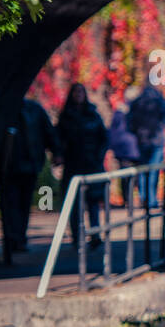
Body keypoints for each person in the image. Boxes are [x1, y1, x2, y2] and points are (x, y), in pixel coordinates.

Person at [0, 96, 62, 253]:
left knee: (23, 202)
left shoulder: (35, 109)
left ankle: (19, 237)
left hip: (30, 163)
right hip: (9, 165)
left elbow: (48, 132)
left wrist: (56, 151)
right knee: (11, 202)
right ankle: (13, 238)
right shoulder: (4, 109)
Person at [56, 82, 109, 248]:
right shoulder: (66, 117)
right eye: (75, 92)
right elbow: (58, 139)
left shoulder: (93, 114)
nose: (78, 95)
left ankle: (94, 235)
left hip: (92, 164)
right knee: (74, 203)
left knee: (92, 202)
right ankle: (77, 237)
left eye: (81, 92)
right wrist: (59, 155)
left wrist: (98, 157)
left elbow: (104, 138)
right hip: (73, 165)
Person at [127, 83, 165, 209]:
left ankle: (144, 198)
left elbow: (129, 122)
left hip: (141, 140)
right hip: (156, 141)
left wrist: (137, 133)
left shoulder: (137, 102)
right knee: (153, 171)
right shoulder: (159, 101)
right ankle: (152, 200)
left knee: (142, 171)